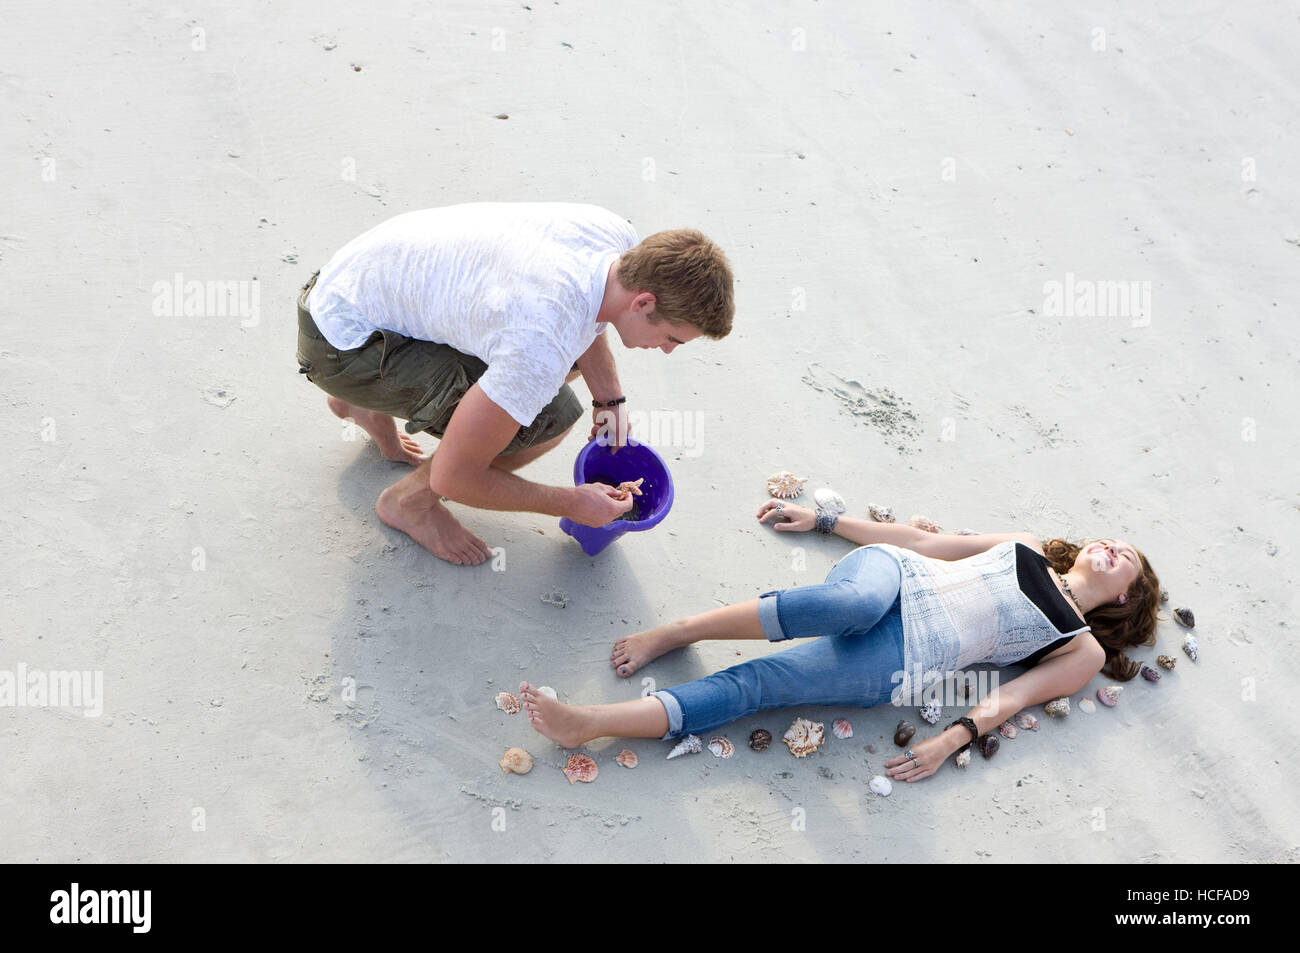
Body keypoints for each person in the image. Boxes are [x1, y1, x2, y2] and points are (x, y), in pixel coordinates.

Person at [519, 498, 1161, 783]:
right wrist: (826, 521)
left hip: (911, 656)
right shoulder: (1023, 545)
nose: (1110, 544)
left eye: (1124, 553)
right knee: (852, 603)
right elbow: (927, 546)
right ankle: (680, 630)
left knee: (766, 685)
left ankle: (593, 723)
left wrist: (948, 741)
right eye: (1109, 537)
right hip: (895, 576)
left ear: (1129, 594)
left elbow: (1016, 696)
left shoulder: (1083, 648)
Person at [295, 202, 734, 566]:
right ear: (645, 302)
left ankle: (365, 401)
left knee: (554, 365)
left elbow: (585, 318)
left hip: (346, 288)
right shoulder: (541, 341)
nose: (669, 350)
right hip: (338, 349)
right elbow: (455, 478)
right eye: (673, 338)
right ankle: (407, 503)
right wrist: (573, 503)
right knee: (551, 418)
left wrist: (611, 400)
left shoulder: (612, 236)